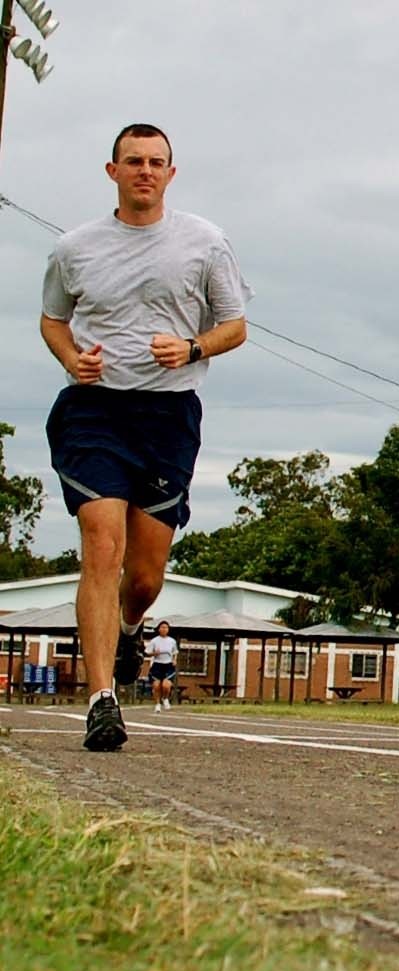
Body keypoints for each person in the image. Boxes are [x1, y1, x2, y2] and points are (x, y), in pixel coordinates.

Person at [40, 123, 251, 752]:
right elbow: (54, 320)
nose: (145, 172)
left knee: (145, 574)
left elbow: (236, 326)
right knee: (101, 544)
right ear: (112, 171)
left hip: (168, 415)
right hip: (93, 412)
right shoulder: (74, 248)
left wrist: (191, 346)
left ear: (171, 173)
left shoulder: (205, 243)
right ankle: (103, 700)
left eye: (156, 162)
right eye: (133, 162)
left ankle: (131, 625)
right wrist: (70, 359)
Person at [146, 620, 178, 712]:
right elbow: (148, 652)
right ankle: (157, 704)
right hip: (157, 665)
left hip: (168, 665)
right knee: (156, 686)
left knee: (166, 686)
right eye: (162, 627)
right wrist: (154, 653)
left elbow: (175, 652)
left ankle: (165, 698)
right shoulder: (154, 641)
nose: (164, 629)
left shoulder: (172, 641)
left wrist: (174, 660)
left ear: (168, 629)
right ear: (159, 629)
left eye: (166, 627)